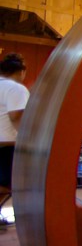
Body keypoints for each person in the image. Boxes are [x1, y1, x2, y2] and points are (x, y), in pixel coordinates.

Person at [0, 53, 29, 225]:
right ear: (21, 71)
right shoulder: (16, 88)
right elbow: (16, 116)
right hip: (7, 143)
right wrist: (27, 138)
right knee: (8, 183)